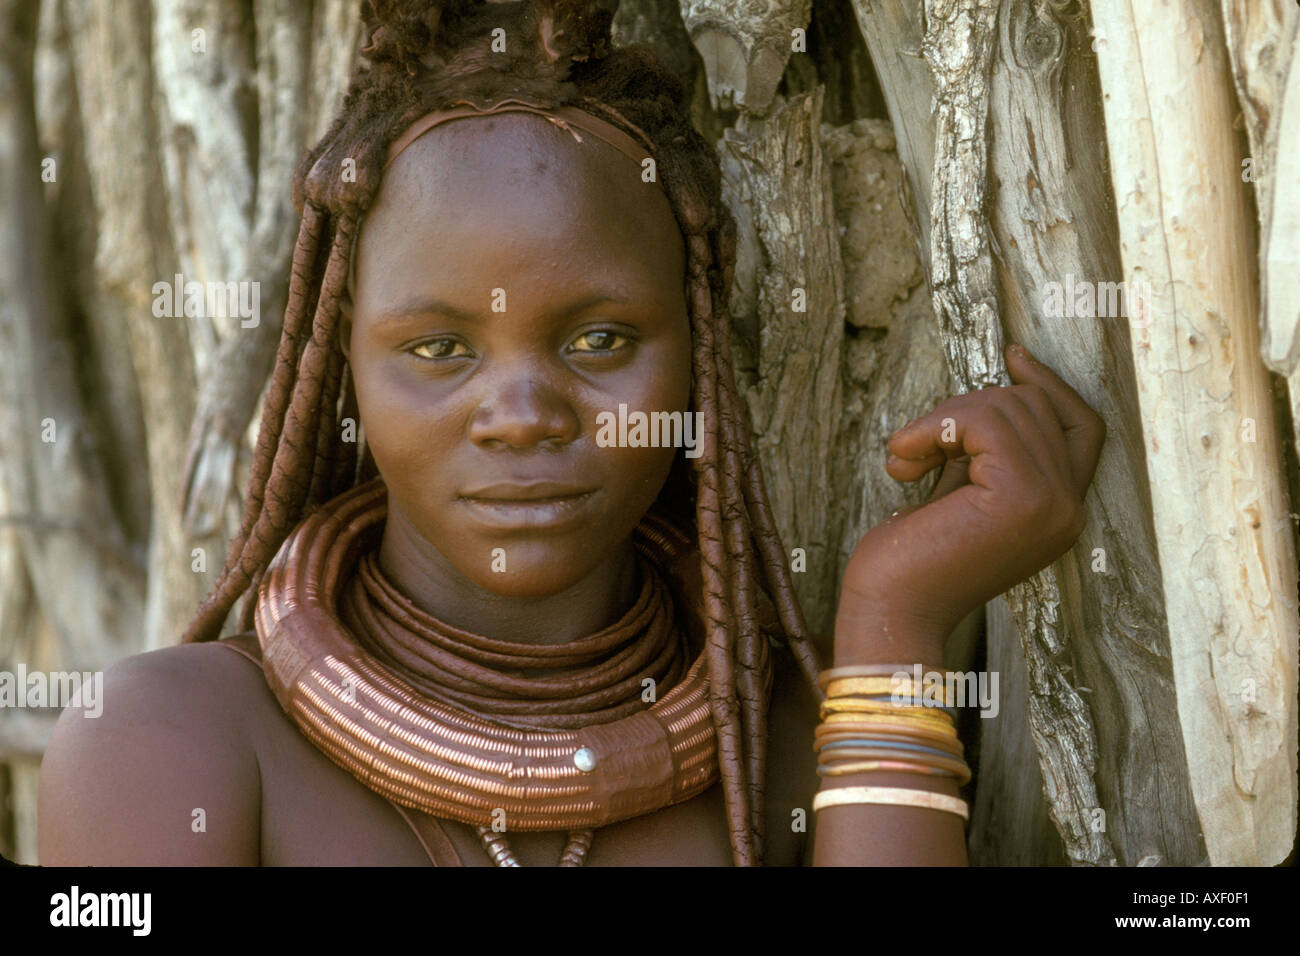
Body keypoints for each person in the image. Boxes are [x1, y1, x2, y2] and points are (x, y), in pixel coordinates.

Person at [37, 0, 1104, 866]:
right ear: (344, 363)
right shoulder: (170, 745)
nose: (522, 414)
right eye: (439, 348)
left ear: (697, 348)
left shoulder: (781, 749)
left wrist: (892, 616)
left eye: (598, 336)